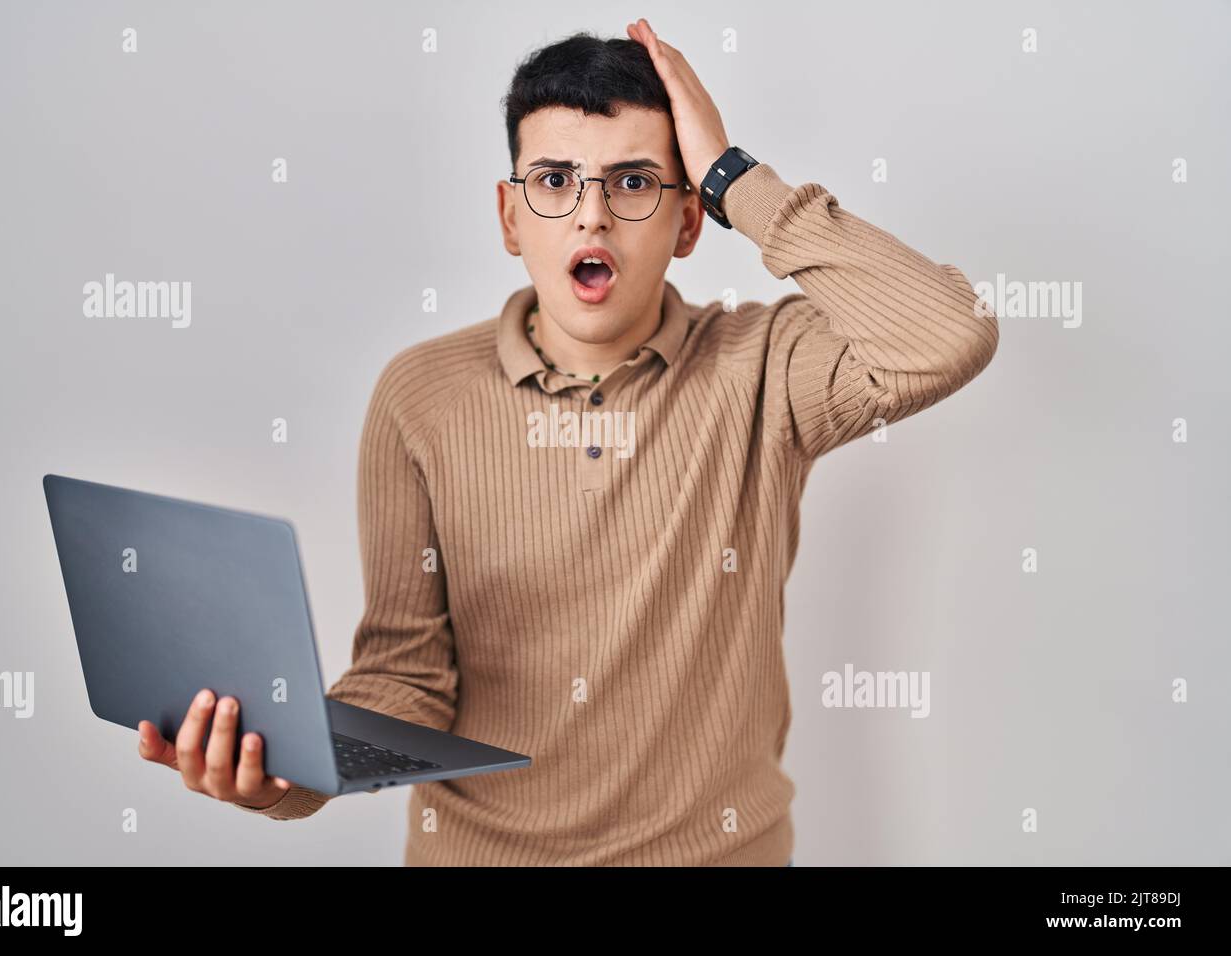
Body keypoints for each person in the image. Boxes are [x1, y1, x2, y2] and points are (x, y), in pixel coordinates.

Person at [138, 18, 999, 866]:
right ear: (511, 218)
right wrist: (287, 773)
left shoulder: (764, 367)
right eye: (555, 180)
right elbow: (407, 674)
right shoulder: (420, 394)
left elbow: (949, 333)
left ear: (690, 224)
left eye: (632, 184)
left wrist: (737, 178)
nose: (592, 217)